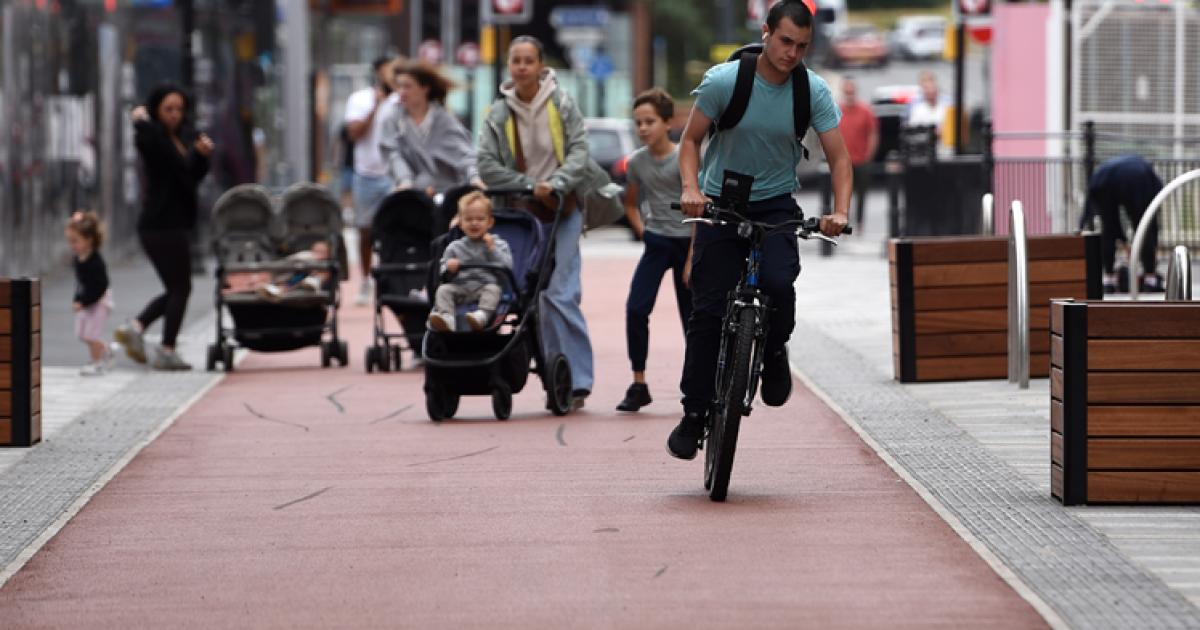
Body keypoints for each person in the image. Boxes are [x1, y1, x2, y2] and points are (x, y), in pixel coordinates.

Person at [667, 0, 851, 460]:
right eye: (786, 41)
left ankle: (772, 351)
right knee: (707, 312)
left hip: (774, 205)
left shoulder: (813, 92)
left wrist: (840, 211)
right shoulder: (724, 82)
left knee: (778, 283)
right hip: (719, 202)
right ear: (766, 32)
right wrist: (691, 188)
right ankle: (694, 414)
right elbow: (689, 141)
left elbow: (840, 158)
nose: (792, 53)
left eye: (802, 46)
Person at [477, 35, 594, 410]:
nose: (522, 67)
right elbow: (487, 167)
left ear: (541, 65)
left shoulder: (561, 103)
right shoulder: (498, 112)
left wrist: (556, 186)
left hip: (565, 208)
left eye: (529, 60)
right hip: (522, 216)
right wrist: (531, 185)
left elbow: (579, 150)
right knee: (532, 298)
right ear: (509, 66)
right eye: (516, 61)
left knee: (561, 294)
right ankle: (553, 375)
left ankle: (578, 381)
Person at [114, 84, 213, 371]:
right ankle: (167, 348)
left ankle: (137, 326)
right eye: (168, 109)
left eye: (179, 109)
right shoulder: (155, 140)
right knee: (181, 287)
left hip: (172, 223)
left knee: (176, 288)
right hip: (161, 224)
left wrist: (201, 157)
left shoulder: (178, 140)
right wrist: (141, 121)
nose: (174, 115)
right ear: (157, 110)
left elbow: (188, 178)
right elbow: (160, 153)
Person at [616, 88, 692, 413]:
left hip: (689, 242)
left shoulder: (685, 159)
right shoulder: (637, 162)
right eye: (638, 123)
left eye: (650, 121)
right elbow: (631, 201)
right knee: (636, 308)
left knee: (692, 318)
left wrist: (692, 258)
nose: (643, 128)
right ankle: (639, 383)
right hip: (657, 241)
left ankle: (696, 386)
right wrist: (641, 229)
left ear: (668, 123)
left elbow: (701, 207)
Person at [380, 61, 484, 197]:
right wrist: (405, 181)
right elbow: (393, 155)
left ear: (425, 88)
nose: (402, 92)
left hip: (445, 194)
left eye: (407, 86)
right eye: (399, 86)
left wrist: (474, 177)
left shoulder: (444, 120)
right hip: (409, 194)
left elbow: (465, 155)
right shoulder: (393, 119)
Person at [345, 56, 401, 306]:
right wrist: (376, 107)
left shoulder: (403, 99)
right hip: (366, 175)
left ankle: (392, 279)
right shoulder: (360, 99)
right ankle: (366, 280)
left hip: (395, 175)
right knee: (365, 230)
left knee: (396, 230)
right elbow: (354, 133)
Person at [427, 191, 513, 332]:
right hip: (461, 287)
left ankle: (482, 316)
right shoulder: (455, 246)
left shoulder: (498, 244)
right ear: (461, 223)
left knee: (494, 290)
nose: (474, 223)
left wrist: (492, 250)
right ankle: (447, 318)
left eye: (480, 219)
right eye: (469, 219)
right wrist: (449, 268)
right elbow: (443, 272)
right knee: (443, 290)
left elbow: (508, 267)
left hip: (485, 285)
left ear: (490, 222)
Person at [1080, 155, 1164, 293]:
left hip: (1101, 179)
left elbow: (1112, 223)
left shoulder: (1143, 175)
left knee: (1108, 229)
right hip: (1135, 178)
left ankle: (1109, 280)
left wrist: (1125, 243)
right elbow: (1149, 225)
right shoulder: (1151, 181)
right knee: (1145, 225)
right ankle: (1150, 278)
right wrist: (1134, 246)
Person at [66, 211, 114, 376]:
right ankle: (105, 350)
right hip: (87, 300)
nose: (72, 245)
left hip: (100, 301)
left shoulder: (96, 262)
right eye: (70, 241)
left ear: (89, 240)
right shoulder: (79, 259)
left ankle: (97, 362)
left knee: (91, 334)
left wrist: (84, 301)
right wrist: (77, 299)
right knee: (81, 333)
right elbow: (79, 283)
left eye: (75, 241)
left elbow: (101, 285)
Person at [838, 77, 878, 231]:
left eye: (851, 91)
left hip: (861, 159)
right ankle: (843, 221)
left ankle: (860, 222)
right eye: (847, 91)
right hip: (843, 161)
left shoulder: (865, 111)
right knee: (843, 194)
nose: (849, 94)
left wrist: (869, 154)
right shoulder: (837, 110)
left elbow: (873, 133)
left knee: (861, 193)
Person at [907, 70, 948, 135]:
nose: (931, 92)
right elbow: (913, 126)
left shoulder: (947, 104)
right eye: (924, 81)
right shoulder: (916, 106)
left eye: (930, 80)